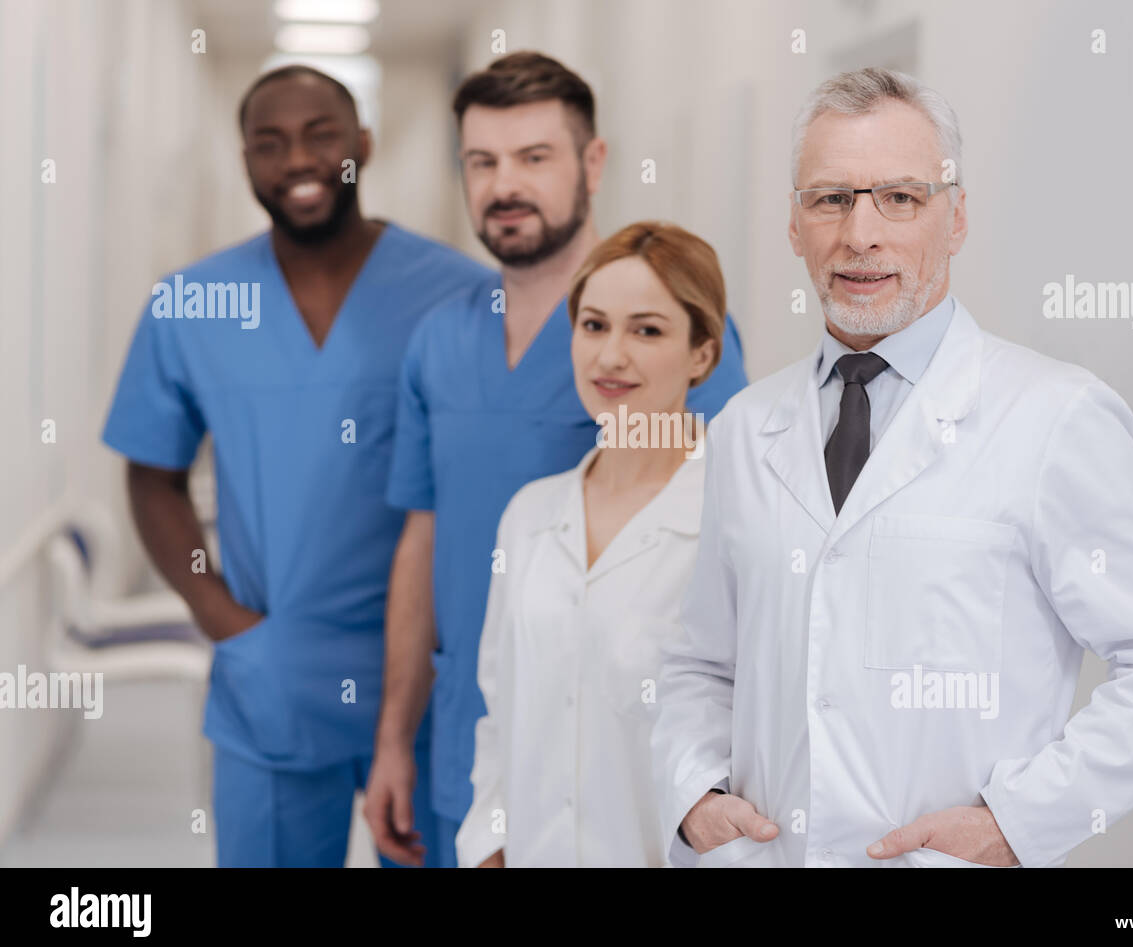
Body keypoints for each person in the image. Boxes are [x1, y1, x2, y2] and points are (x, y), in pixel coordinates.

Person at [651, 67, 1133, 868]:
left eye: (901, 197)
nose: (861, 234)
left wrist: (1016, 823)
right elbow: (701, 663)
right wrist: (693, 798)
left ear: (955, 217)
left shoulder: (1054, 416)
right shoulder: (749, 427)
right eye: (831, 199)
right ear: (794, 222)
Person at [101, 65, 493, 867]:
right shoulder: (191, 303)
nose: (298, 160)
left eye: (322, 135)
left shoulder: (461, 296)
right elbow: (152, 473)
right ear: (245, 161)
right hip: (273, 669)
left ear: (364, 146)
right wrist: (221, 619)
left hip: (431, 674)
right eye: (269, 143)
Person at [365, 52, 748, 867]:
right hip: (478, 743)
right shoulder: (439, 341)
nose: (506, 183)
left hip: (642, 766)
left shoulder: (676, 329)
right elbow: (420, 541)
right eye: (482, 161)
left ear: (592, 162)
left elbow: (730, 534)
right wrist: (395, 736)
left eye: (534, 157)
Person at [457, 222, 724, 868]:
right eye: (595, 325)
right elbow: (500, 715)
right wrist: (488, 846)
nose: (610, 356)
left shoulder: (733, 519)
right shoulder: (530, 517)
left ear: (702, 355)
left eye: (648, 330)